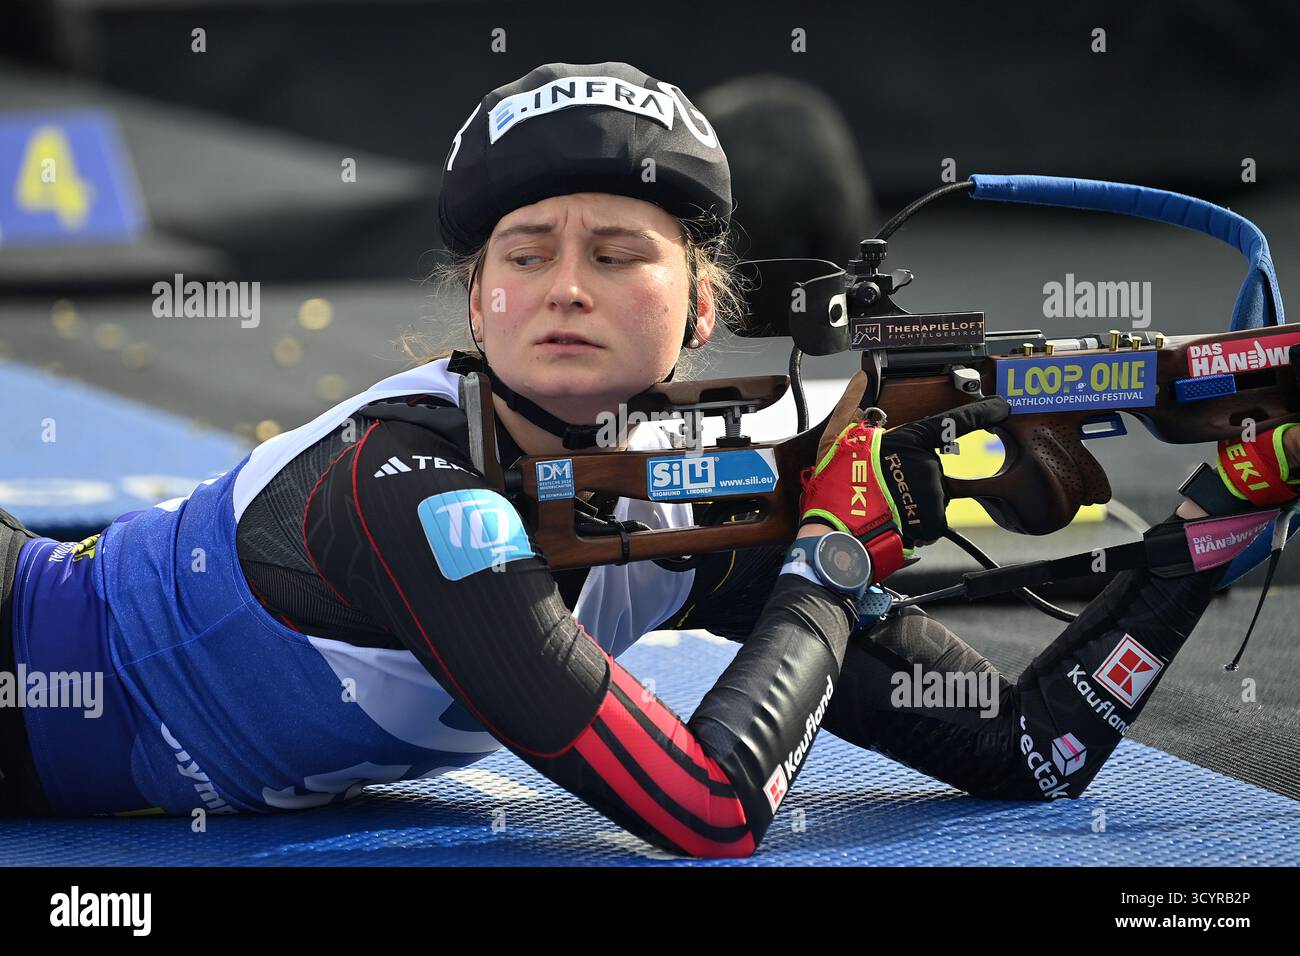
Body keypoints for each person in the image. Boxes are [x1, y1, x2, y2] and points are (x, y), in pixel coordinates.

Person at [1, 62, 1297, 859]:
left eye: (620, 254)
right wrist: (831, 561)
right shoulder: (408, 492)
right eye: (526, 254)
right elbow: (709, 813)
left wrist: (1220, 516)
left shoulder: (693, 502)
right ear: (477, 302)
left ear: (698, 308)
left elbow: (1032, 753)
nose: (567, 288)